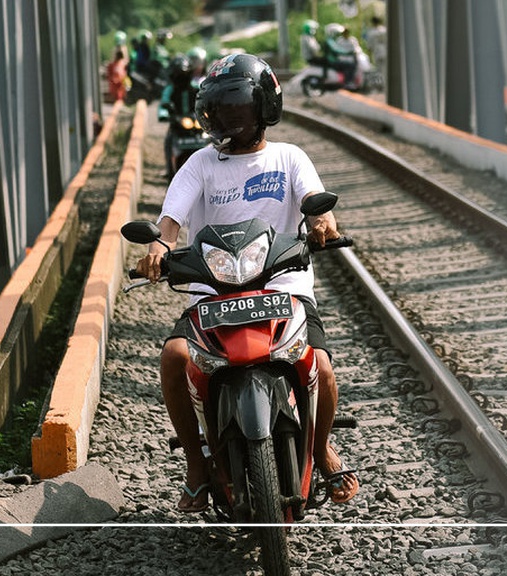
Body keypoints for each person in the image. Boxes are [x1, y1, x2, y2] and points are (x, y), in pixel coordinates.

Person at [134, 53, 360, 512]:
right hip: (213, 292)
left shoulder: (289, 158)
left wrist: (321, 224)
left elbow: (317, 205)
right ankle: (198, 467)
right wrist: (159, 248)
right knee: (174, 357)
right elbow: (172, 219)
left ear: (264, 109)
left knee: (321, 364)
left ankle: (321, 450)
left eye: (237, 108)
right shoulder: (199, 164)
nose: (227, 119)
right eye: (219, 110)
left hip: (283, 288)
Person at [158, 55, 198, 178]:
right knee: (169, 141)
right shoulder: (170, 89)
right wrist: (164, 114)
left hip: (195, 121)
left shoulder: (196, 87)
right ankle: (170, 170)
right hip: (177, 122)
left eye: (184, 75)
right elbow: (163, 103)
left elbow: (204, 99)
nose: (182, 78)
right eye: (179, 75)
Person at [323, 23, 358, 88]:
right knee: (351, 65)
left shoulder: (332, 40)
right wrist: (348, 53)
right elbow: (337, 50)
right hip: (333, 61)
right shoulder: (330, 41)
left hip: (334, 60)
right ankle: (348, 82)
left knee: (348, 64)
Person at [362, 15, 387, 81]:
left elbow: (369, 46)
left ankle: (382, 85)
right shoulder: (384, 30)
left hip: (377, 52)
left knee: (380, 70)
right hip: (386, 51)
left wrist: (369, 56)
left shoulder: (371, 32)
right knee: (386, 69)